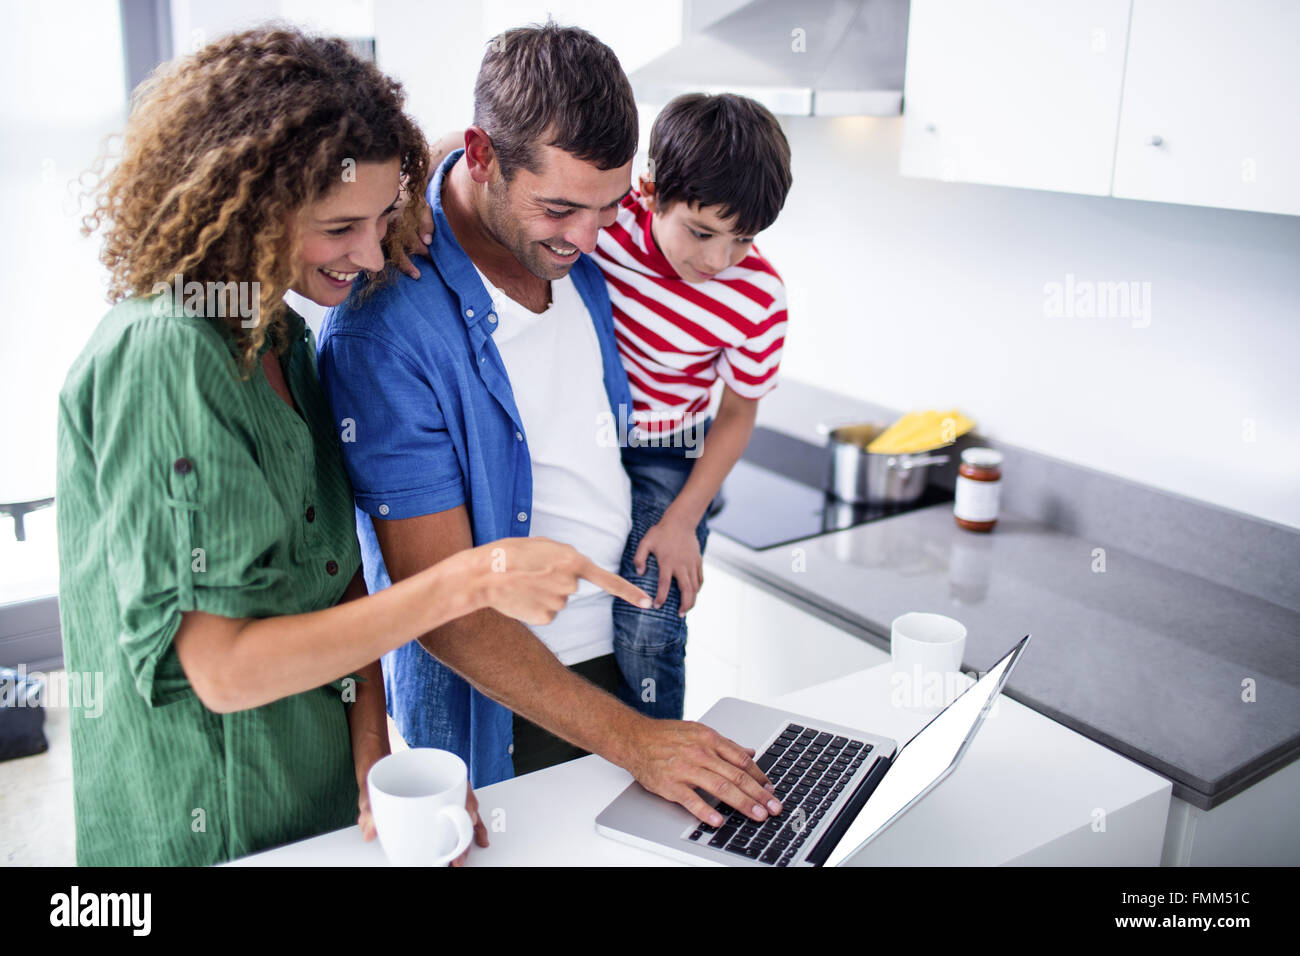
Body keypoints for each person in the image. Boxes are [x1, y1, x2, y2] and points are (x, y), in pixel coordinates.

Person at [57, 26, 645, 866]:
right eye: (341, 228)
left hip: (321, 802)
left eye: (382, 219)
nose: (374, 255)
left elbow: (342, 582)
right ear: (253, 206)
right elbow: (221, 672)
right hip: (204, 822)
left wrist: (374, 758)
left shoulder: (284, 340)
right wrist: (473, 577)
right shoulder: (163, 357)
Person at [318, 23, 782, 829]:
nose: (586, 237)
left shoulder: (593, 241)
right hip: (514, 698)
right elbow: (444, 607)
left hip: (629, 656)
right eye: (561, 208)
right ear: (484, 156)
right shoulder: (387, 327)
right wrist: (637, 742)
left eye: (608, 209)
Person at [595, 93, 793, 719]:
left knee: (649, 607)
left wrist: (683, 519)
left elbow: (738, 414)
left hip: (669, 451)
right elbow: (479, 157)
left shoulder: (759, 297)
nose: (717, 261)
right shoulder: (606, 219)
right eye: (702, 232)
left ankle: (660, 752)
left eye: (742, 240)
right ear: (650, 189)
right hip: (577, 437)